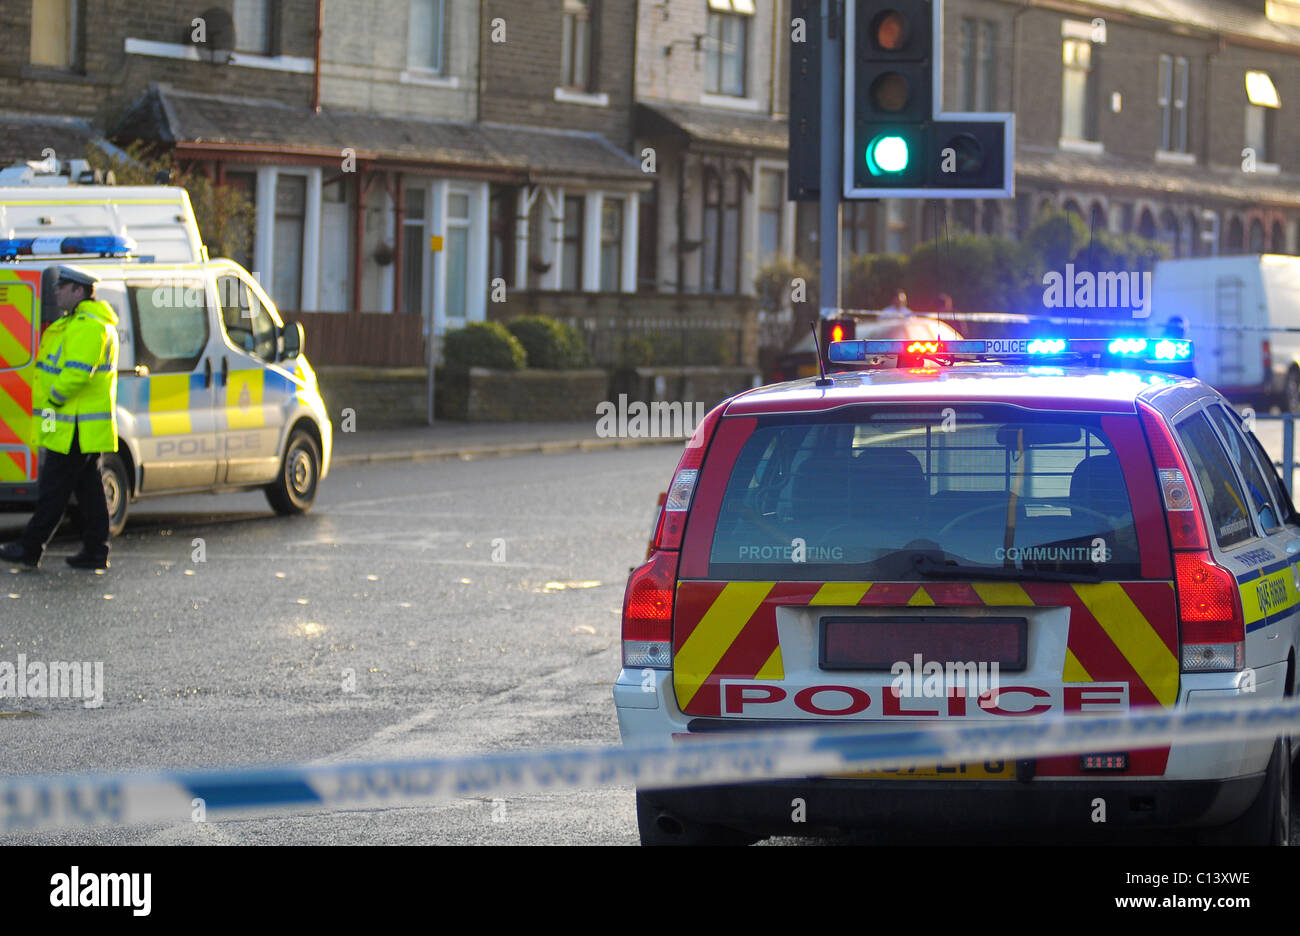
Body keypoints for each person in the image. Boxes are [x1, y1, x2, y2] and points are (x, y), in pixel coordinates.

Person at [0, 266, 119, 570]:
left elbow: (77, 373)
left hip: (74, 425)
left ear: (78, 291)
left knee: (55, 488)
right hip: (66, 422)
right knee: (88, 490)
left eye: (62, 287)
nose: (56, 292)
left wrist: (54, 395)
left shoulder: (89, 326)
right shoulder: (74, 323)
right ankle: (95, 549)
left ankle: (30, 547)